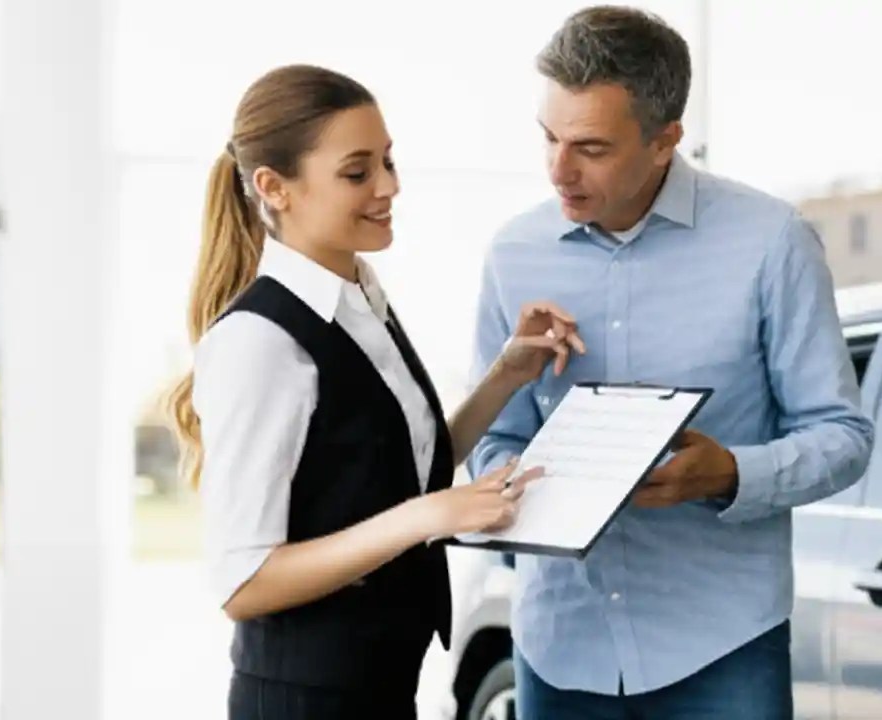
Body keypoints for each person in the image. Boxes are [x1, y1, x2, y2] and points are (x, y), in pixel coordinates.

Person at [469, 6, 874, 719]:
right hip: (560, 645)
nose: (559, 170)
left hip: (722, 646)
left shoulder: (771, 241)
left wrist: (731, 474)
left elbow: (843, 435)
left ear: (665, 141)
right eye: (549, 137)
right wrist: (513, 482)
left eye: (591, 147)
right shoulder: (513, 253)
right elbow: (494, 439)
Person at [165, 64, 584, 720]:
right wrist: (426, 517)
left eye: (388, 162)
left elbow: (398, 469)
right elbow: (242, 583)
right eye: (357, 172)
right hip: (303, 703)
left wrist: (508, 374)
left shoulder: (359, 299)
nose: (389, 186)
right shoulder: (260, 341)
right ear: (274, 187)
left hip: (380, 687)